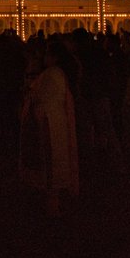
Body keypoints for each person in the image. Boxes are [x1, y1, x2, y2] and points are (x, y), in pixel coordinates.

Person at [19, 39, 80, 216]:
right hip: (56, 121)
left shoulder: (52, 74)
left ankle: (52, 207)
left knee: (50, 162)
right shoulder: (60, 73)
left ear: (53, 56)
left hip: (49, 123)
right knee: (55, 161)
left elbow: (37, 95)